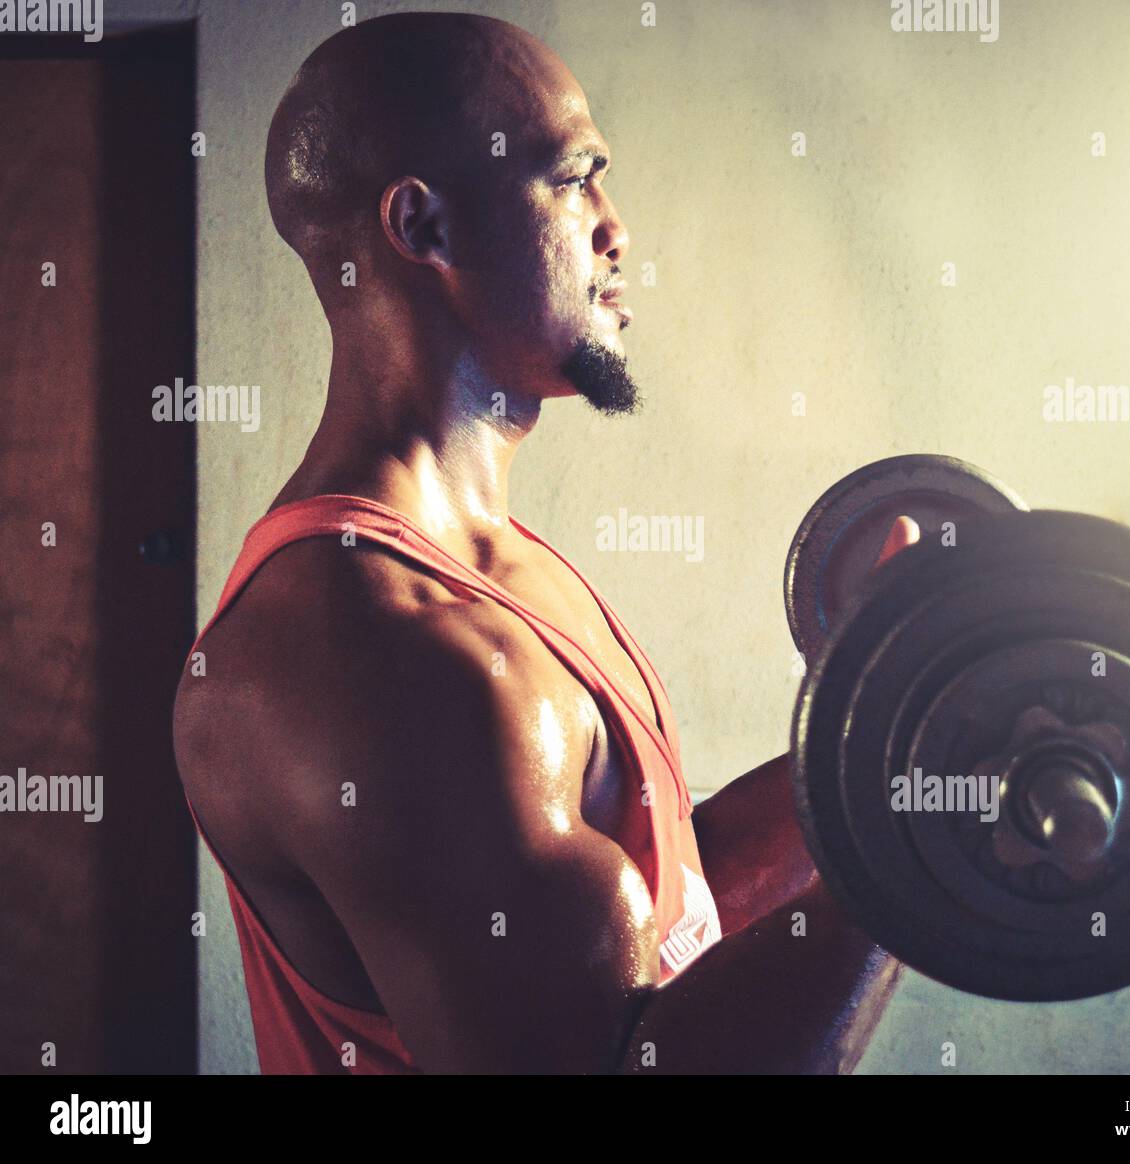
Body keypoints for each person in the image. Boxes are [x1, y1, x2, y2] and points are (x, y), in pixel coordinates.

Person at [172, 11, 910, 1074]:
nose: (617, 230)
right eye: (573, 179)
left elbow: (661, 897)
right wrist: (908, 869)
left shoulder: (497, 567)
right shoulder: (382, 652)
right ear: (423, 228)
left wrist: (885, 740)